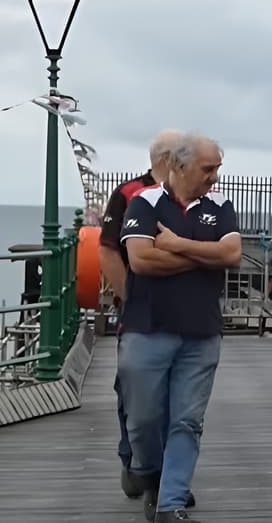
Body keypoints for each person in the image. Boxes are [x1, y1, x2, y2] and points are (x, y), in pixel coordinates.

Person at [118, 133, 241, 523]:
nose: (215, 178)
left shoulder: (220, 206)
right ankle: (151, 475)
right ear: (180, 166)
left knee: (187, 420)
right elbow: (141, 261)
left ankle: (170, 503)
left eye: (218, 169)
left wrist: (174, 243)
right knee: (143, 419)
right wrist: (204, 256)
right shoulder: (144, 202)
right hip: (146, 328)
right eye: (208, 169)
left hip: (201, 332)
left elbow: (232, 253)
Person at [98, 129, 195, 506]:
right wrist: (132, 299)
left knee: (179, 402)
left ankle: (165, 485)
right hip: (140, 317)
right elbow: (107, 253)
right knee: (136, 396)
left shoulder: (193, 198)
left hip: (186, 317)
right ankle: (133, 460)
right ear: (168, 159)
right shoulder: (128, 194)